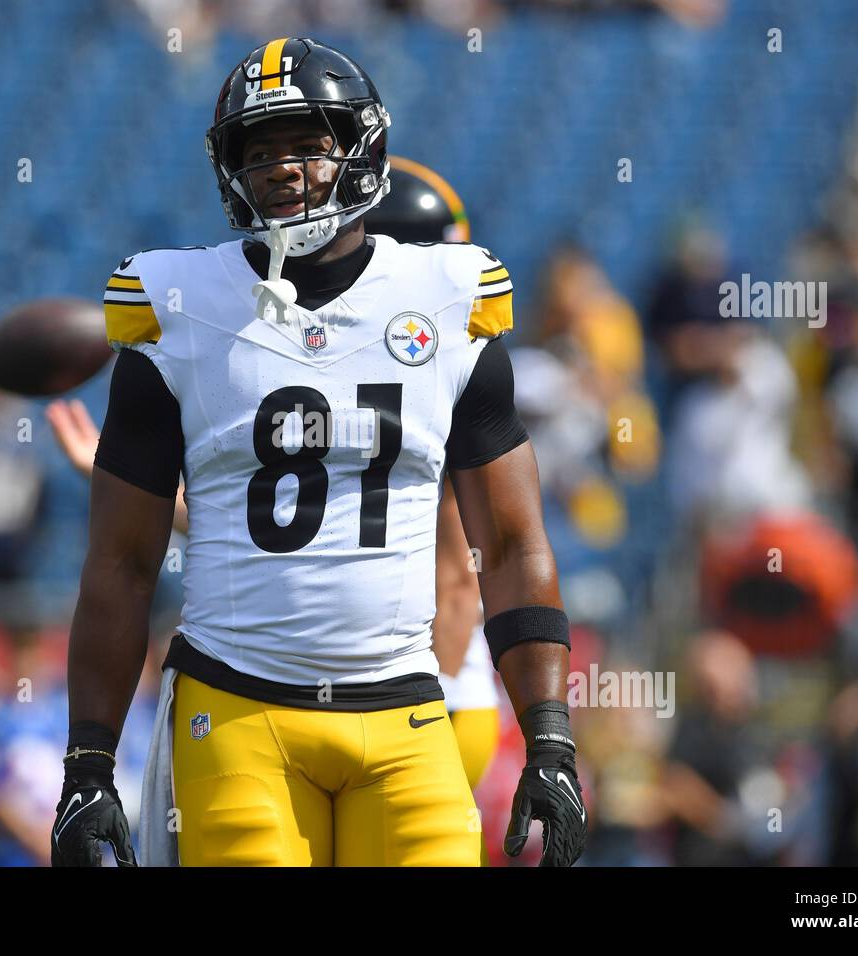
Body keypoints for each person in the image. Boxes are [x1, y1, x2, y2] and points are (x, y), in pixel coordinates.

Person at [51, 38, 585, 867]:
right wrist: (88, 763)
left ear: (362, 147)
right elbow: (121, 564)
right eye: (259, 152)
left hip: (408, 711)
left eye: (307, 144)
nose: (282, 170)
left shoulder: (446, 301)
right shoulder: (178, 308)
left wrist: (550, 739)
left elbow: (511, 544)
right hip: (237, 710)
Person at [45, 156, 501, 796]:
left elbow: (457, 580)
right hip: (404, 704)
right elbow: (297, 515)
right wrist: (150, 497)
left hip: (424, 703)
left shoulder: (426, 376)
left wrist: (424, 708)